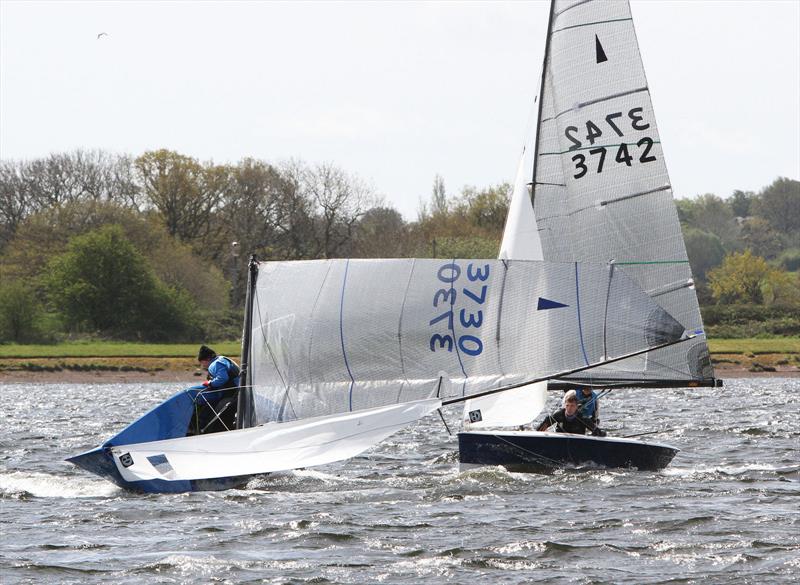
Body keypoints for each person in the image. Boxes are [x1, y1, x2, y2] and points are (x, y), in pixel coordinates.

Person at [192, 345, 241, 434]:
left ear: (206, 360)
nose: (203, 366)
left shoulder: (215, 364)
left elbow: (223, 378)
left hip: (233, 394)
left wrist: (210, 383)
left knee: (210, 415)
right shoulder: (223, 359)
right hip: (238, 392)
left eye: (202, 363)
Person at [536, 390, 605, 436]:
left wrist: (593, 435)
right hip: (559, 442)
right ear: (565, 406)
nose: (569, 408)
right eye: (567, 405)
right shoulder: (558, 415)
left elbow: (598, 432)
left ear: (576, 407)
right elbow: (541, 428)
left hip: (577, 444)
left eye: (572, 406)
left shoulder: (582, 418)